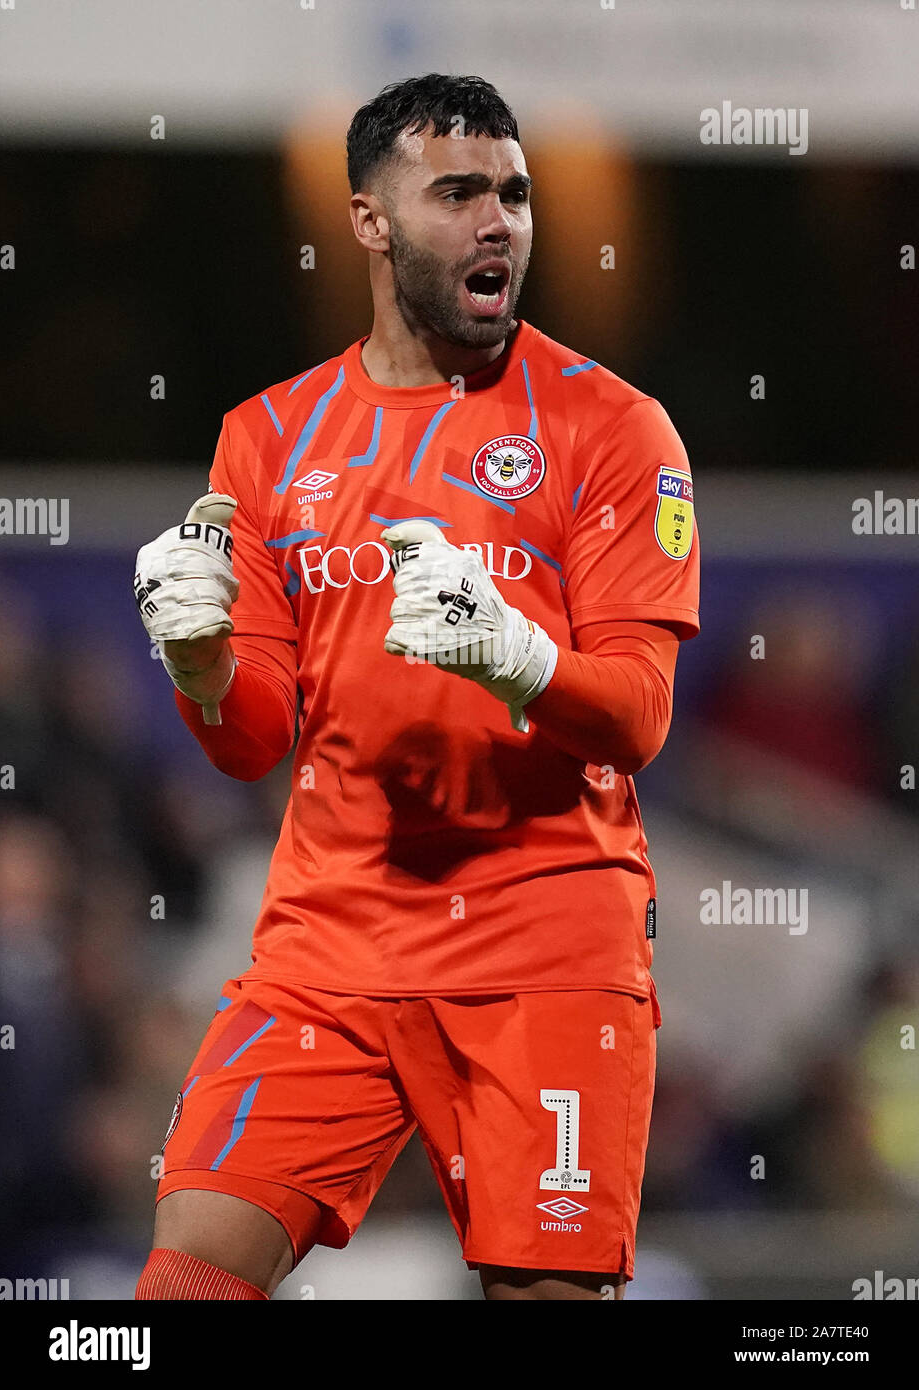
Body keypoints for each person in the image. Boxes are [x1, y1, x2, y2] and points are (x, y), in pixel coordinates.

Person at [133, 73, 700, 1302]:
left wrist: (515, 655)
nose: (498, 221)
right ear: (370, 222)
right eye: (457, 193)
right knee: (180, 1287)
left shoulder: (613, 428)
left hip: (544, 953)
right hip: (328, 951)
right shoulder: (268, 436)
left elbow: (639, 713)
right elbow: (252, 741)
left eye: (514, 193)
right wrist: (199, 663)